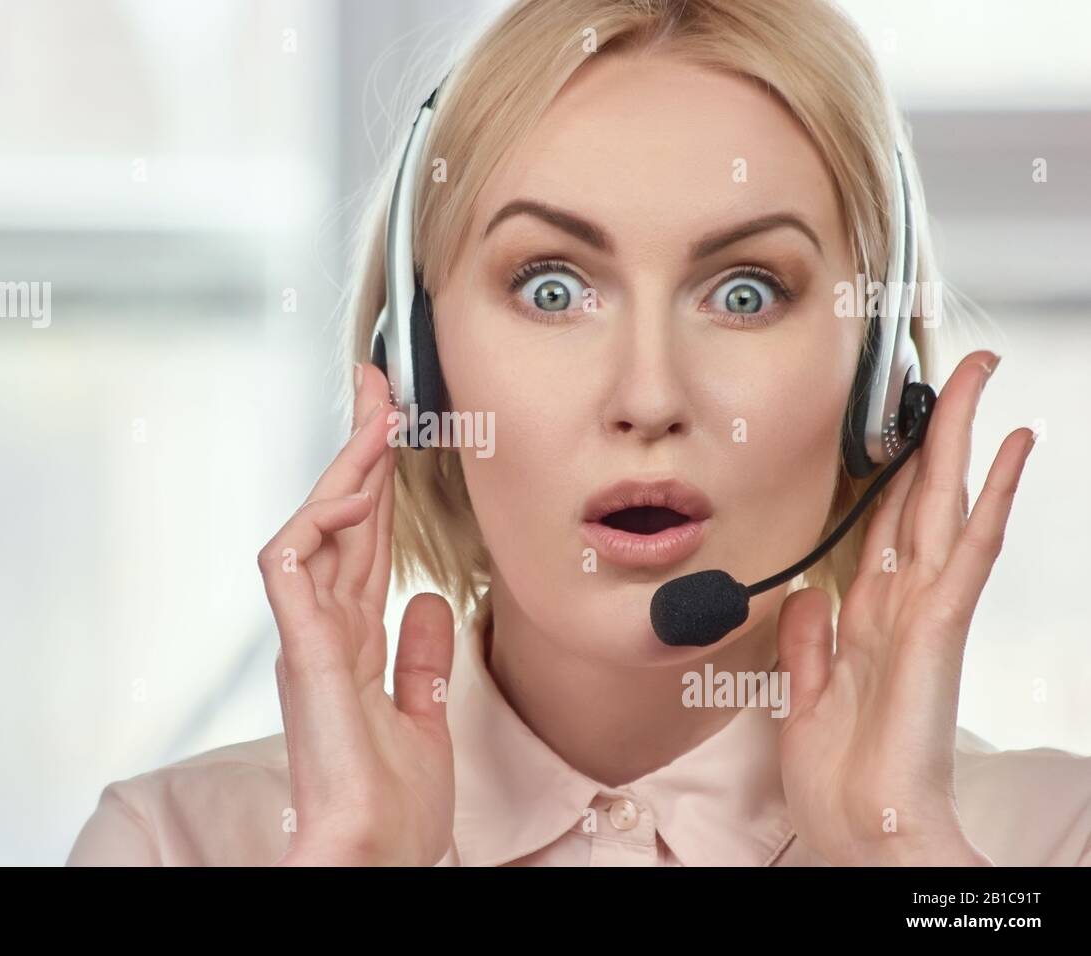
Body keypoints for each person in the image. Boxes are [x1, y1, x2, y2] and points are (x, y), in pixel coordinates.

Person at [67, 0, 1091, 866]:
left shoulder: (1044, 841)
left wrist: (902, 853)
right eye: (551, 287)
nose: (648, 395)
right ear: (419, 368)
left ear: (879, 387)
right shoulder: (175, 843)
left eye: (743, 292)